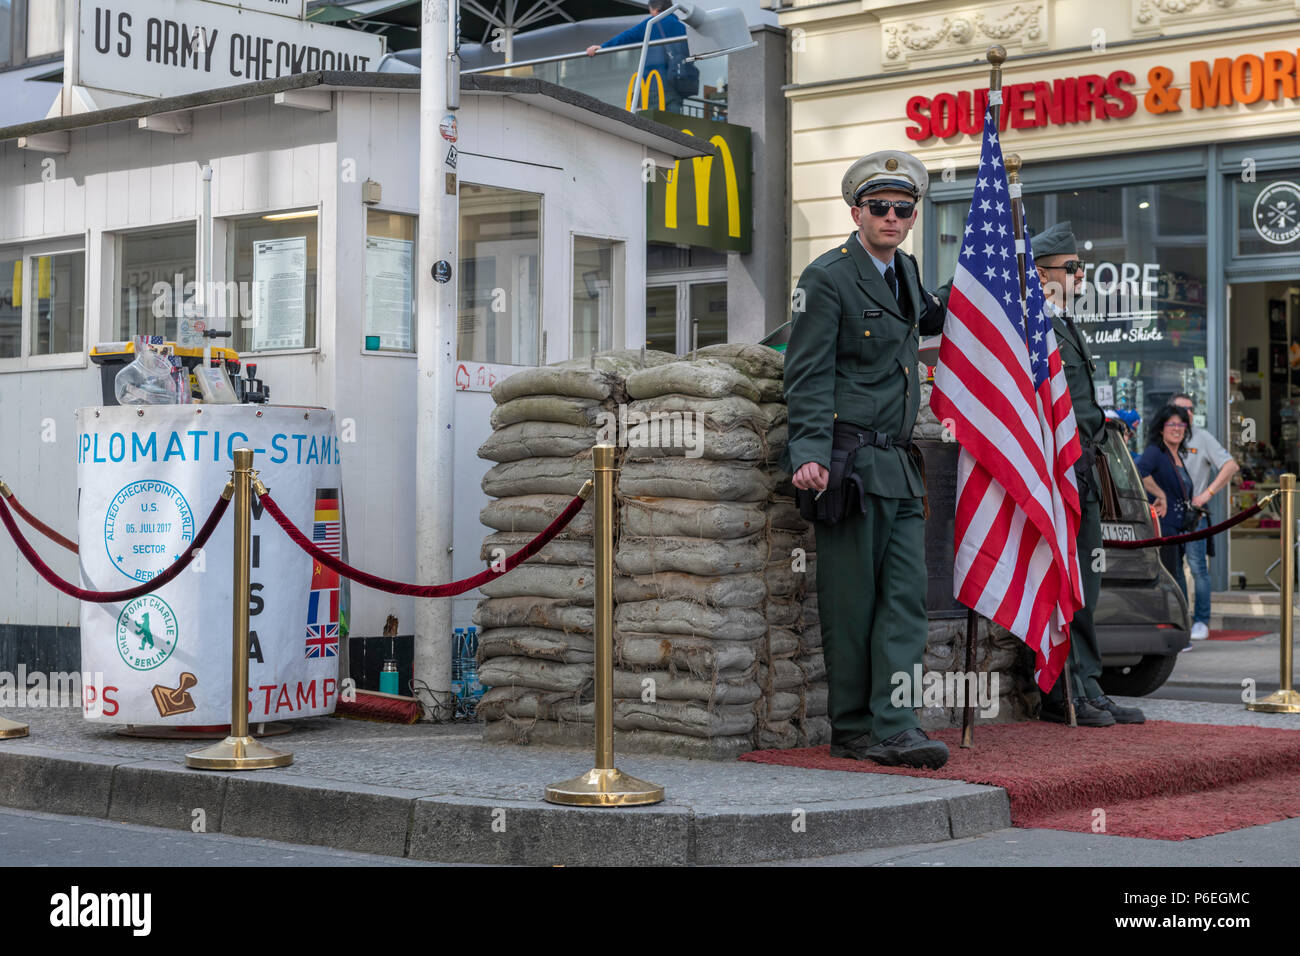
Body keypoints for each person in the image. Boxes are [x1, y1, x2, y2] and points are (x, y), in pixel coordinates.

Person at [782, 150, 949, 768]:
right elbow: (807, 372)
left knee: (904, 597)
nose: (892, 216)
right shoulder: (826, 277)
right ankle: (853, 727)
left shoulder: (905, 274)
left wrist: (1003, 271)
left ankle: (895, 724)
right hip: (848, 464)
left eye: (903, 209)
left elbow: (944, 312)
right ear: (856, 211)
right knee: (852, 603)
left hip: (900, 466)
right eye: (879, 207)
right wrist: (808, 452)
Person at [1025, 222, 1147, 726]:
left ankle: (1089, 683)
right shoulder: (1034, 325)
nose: (1080, 276)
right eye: (1071, 268)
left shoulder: (1064, 323)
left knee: (1088, 583)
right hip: (1059, 469)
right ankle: (1064, 691)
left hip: (1083, 467)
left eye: (1081, 267)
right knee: (1067, 579)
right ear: (1041, 273)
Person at [1171, 393, 1239, 641]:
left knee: (1198, 568)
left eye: (1190, 409)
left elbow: (1230, 466)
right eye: (1181, 409)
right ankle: (1179, 618)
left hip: (1193, 515)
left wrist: (1206, 494)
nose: (1187, 413)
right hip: (1169, 515)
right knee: (1173, 568)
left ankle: (1201, 620)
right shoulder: (1164, 437)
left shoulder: (1202, 436)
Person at [586, 0, 690, 114]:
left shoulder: (652, 23)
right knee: (674, 122)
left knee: (655, 123)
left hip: (654, 82)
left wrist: (603, 47)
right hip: (677, 84)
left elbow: (627, 37)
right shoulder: (682, 28)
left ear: (656, 9)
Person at [1136, 404, 1196, 599]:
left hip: (1178, 528)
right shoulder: (1155, 452)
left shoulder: (1177, 456)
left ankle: (1181, 619)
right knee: (1172, 577)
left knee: (1177, 575)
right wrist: (1160, 494)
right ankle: (1176, 621)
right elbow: (1141, 472)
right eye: (1171, 424)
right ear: (1161, 428)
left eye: (1181, 424)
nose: (1177, 428)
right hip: (1164, 526)